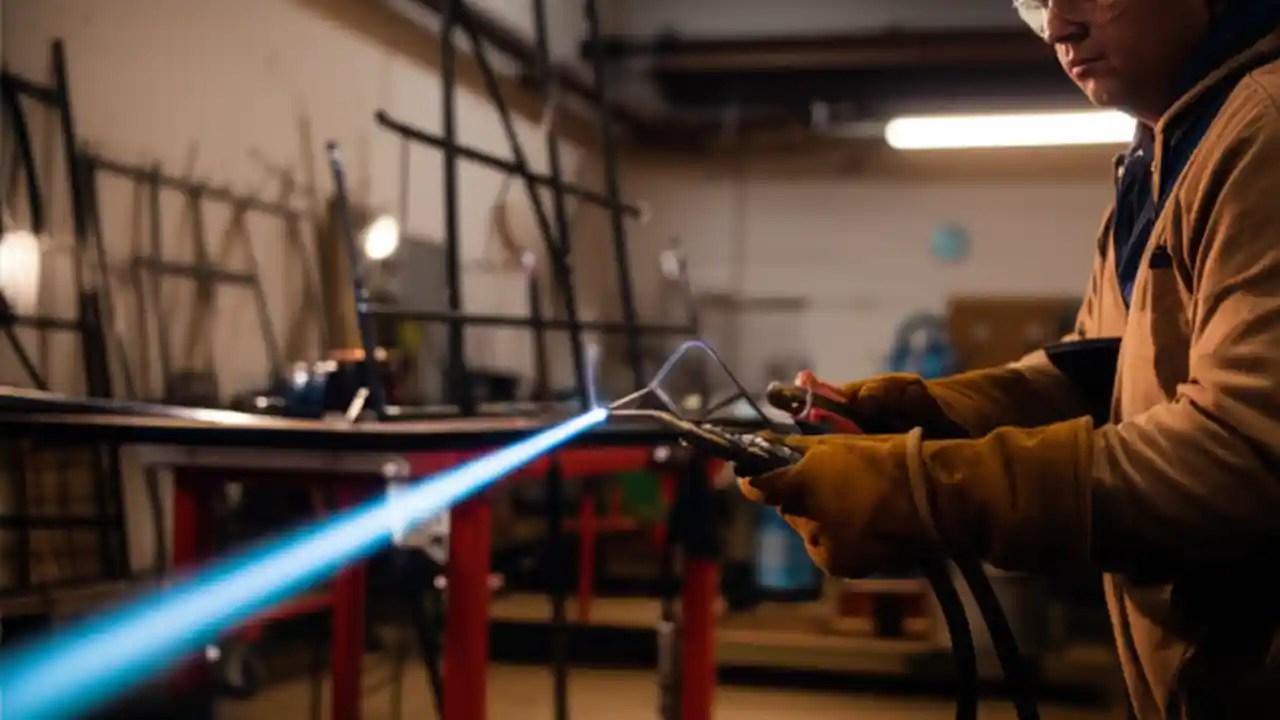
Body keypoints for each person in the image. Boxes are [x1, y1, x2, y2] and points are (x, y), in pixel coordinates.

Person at [735, 1, 1280, 717]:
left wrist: (927, 489)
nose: (1059, 28)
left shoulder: (1265, 130)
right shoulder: (1165, 153)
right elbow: (1111, 371)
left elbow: (1244, 457)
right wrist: (938, 413)